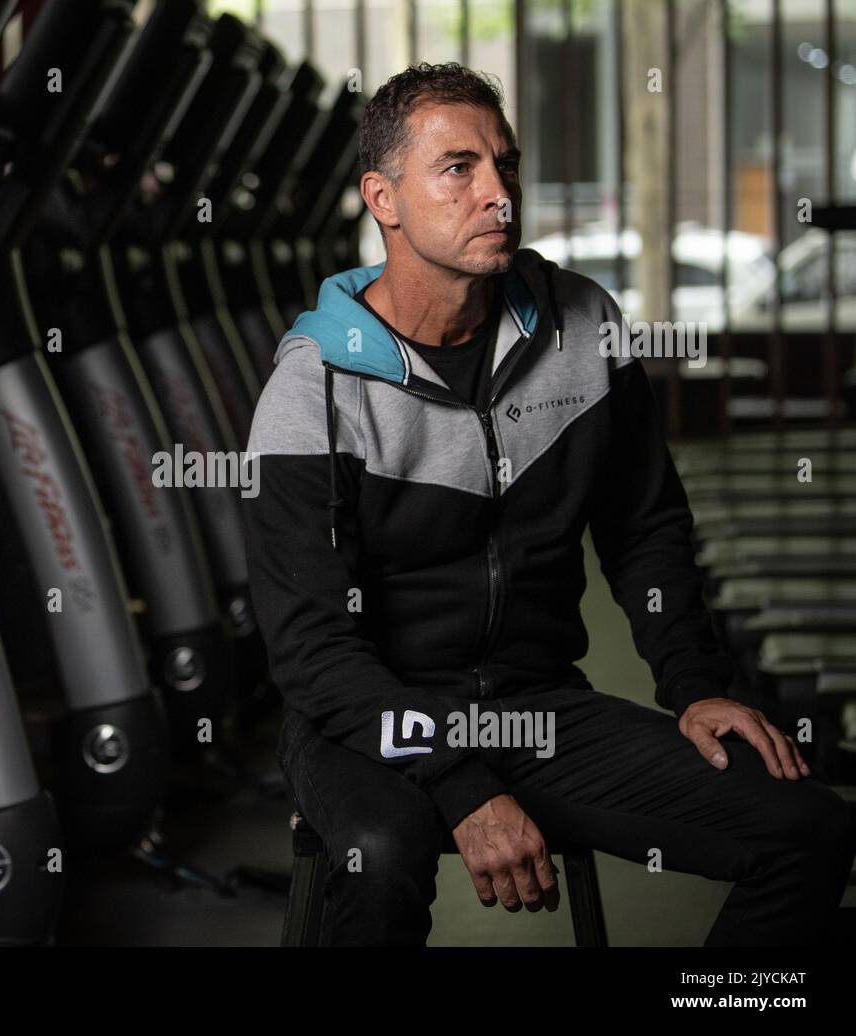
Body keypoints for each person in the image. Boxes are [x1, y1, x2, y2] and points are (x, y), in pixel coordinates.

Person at [240, 62, 856, 946]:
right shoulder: (313, 390)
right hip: (368, 719)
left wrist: (693, 685)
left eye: (506, 165)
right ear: (385, 197)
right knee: (384, 848)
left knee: (813, 827)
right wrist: (461, 783)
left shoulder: (582, 325)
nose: (498, 194)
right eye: (459, 169)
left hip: (538, 707)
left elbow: (645, 527)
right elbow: (310, 648)